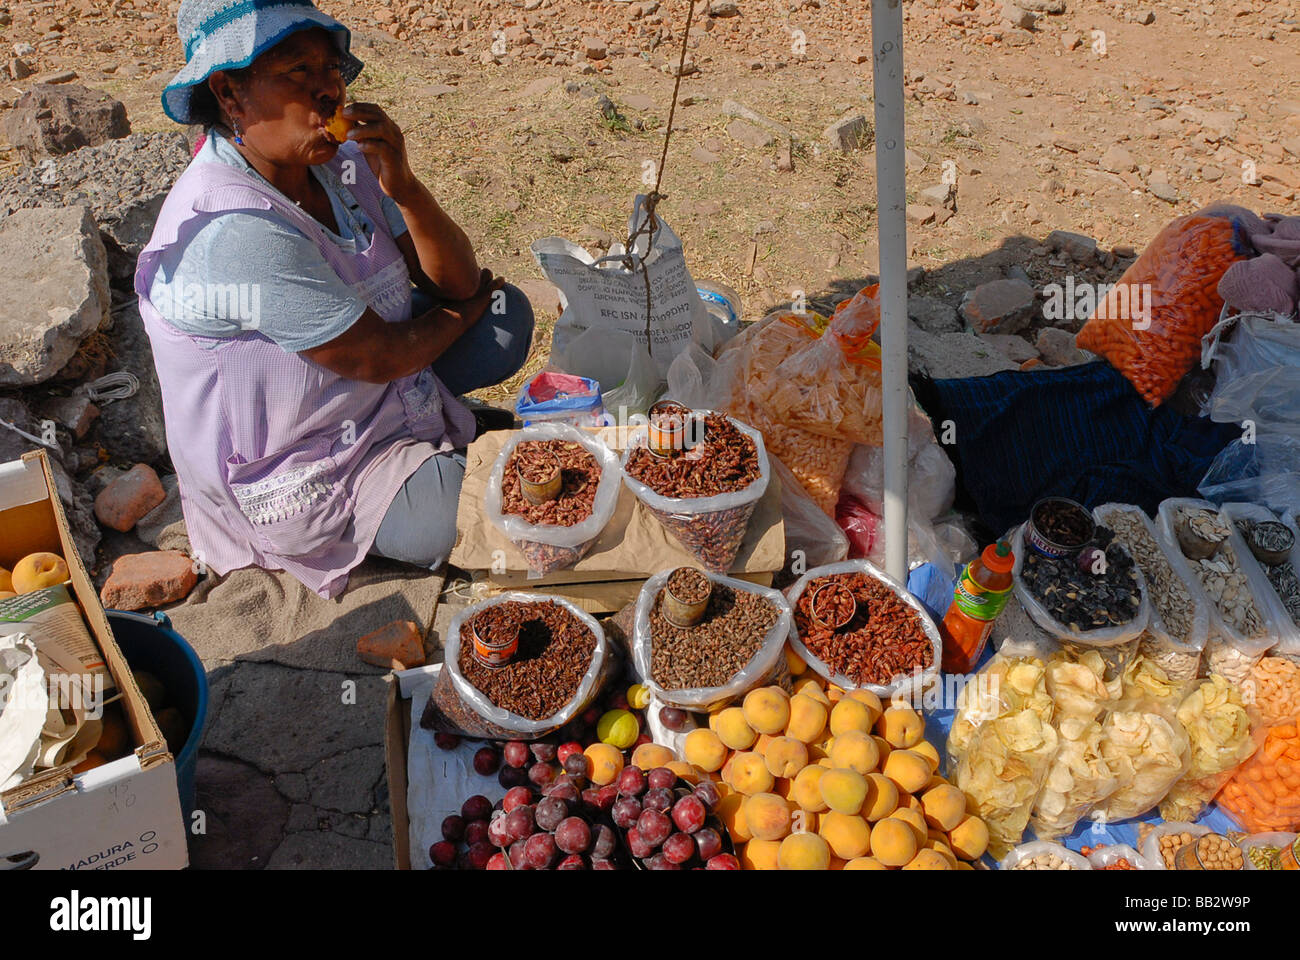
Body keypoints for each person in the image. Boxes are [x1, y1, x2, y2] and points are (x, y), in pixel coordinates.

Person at [136, 0, 534, 598]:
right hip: (303, 458)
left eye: (329, 69)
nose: (328, 91)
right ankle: (416, 473)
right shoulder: (233, 227)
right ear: (229, 95)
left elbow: (456, 280)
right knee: (488, 510)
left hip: (358, 389)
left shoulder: (337, 166)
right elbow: (381, 356)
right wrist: (460, 312)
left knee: (506, 320)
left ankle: (433, 441)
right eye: (298, 72)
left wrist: (405, 186)